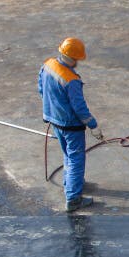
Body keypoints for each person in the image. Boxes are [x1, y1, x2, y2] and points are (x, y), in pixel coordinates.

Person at [38, 37, 103, 212]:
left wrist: (50, 111)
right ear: (73, 58)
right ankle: (73, 198)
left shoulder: (48, 65)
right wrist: (93, 125)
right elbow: (79, 108)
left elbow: (41, 88)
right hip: (71, 125)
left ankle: (72, 183)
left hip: (55, 121)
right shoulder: (71, 80)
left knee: (67, 154)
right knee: (76, 159)